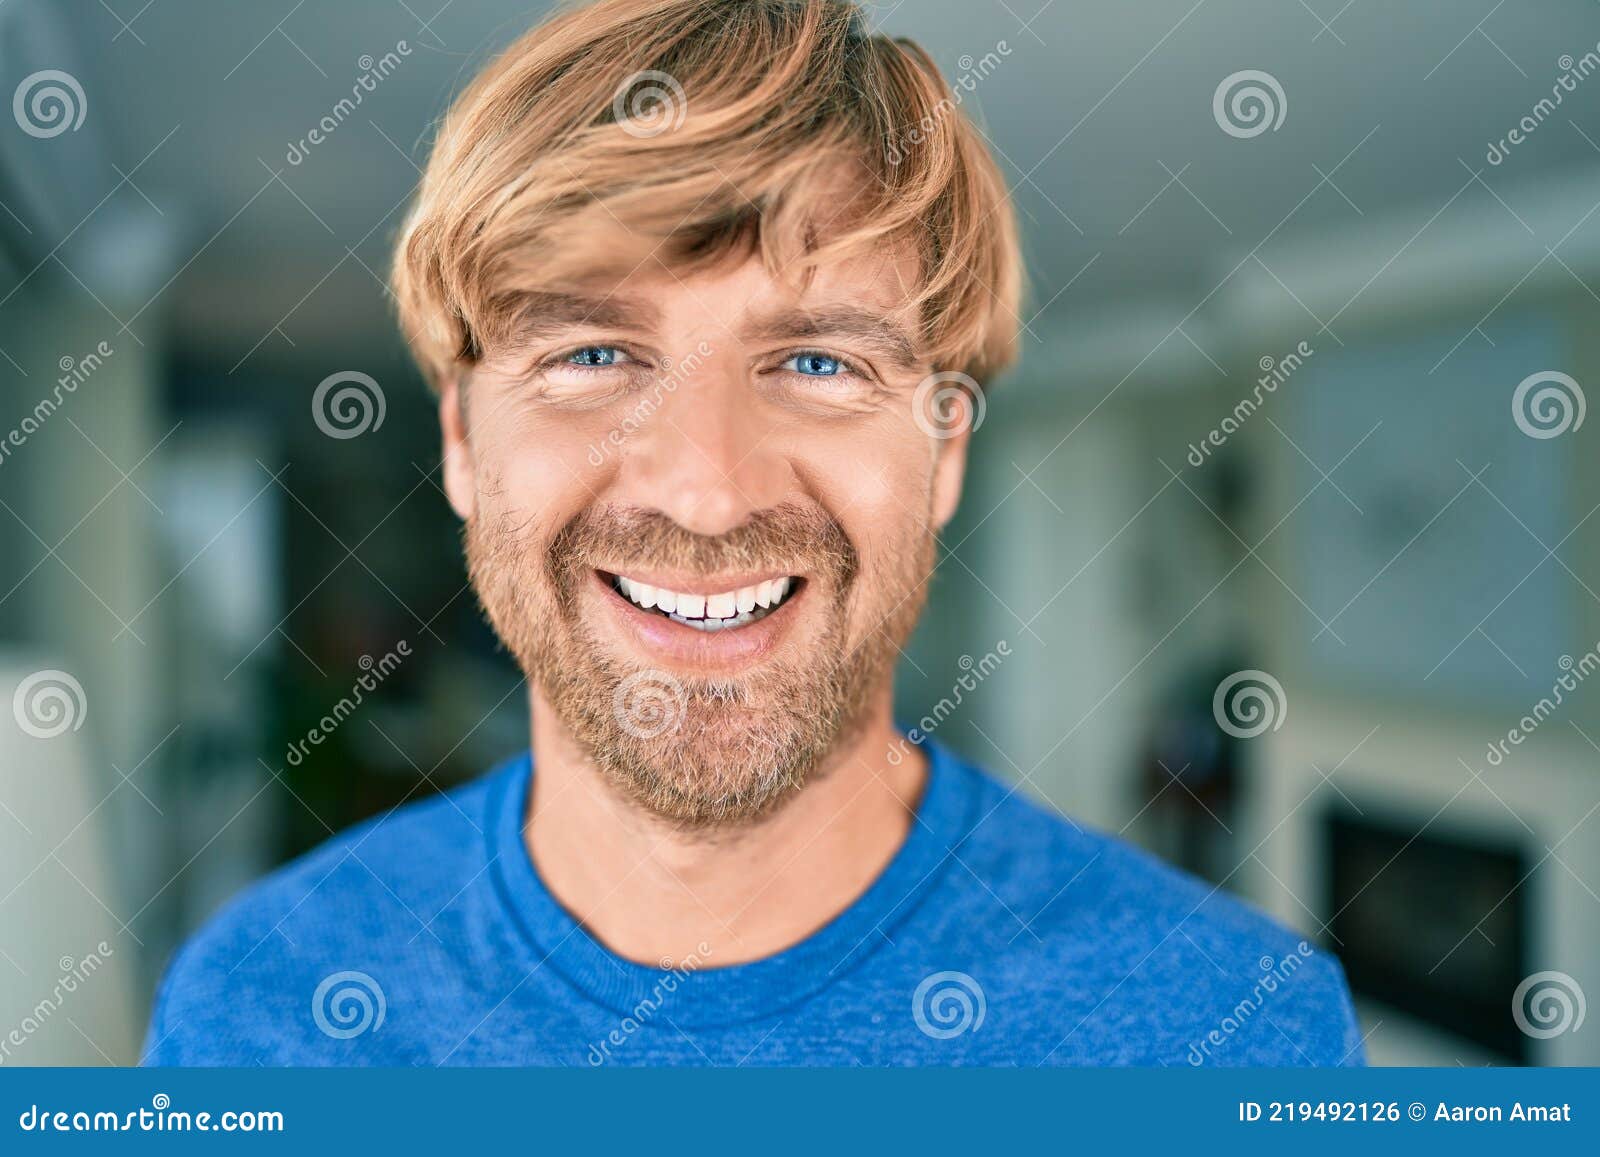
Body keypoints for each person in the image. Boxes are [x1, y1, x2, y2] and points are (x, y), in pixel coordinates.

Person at [144, 0, 1361, 1066]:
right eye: (593, 353)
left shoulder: (1233, 1033)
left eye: (818, 359)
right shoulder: (255, 1014)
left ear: (941, 450)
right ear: (463, 437)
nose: (707, 491)